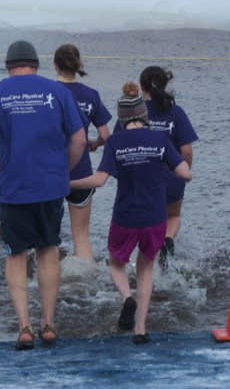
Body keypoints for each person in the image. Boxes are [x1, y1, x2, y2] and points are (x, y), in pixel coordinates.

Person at [0, 40, 85, 350]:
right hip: (51, 185)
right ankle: (48, 324)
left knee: (16, 255)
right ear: (36, 65)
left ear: (9, 66)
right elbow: (78, 139)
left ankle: (24, 327)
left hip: (14, 187)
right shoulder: (59, 92)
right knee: (49, 250)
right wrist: (64, 169)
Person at [71, 82, 191, 345]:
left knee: (116, 264)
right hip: (155, 217)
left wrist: (68, 184)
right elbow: (186, 173)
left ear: (123, 118)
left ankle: (127, 298)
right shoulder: (159, 140)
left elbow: (100, 180)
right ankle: (140, 329)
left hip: (125, 216)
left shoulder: (115, 142)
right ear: (143, 115)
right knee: (146, 269)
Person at [53, 43, 112, 261]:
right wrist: (94, 143)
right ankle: (84, 282)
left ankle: (49, 279)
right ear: (77, 66)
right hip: (82, 172)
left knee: (49, 236)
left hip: (51, 169)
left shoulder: (48, 93)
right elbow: (106, 135)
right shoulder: (91, 94)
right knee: (81, 236)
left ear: (55, 65)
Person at [138, 66, 198, 266]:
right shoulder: (175, 112)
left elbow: (120, 143)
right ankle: (168, 239)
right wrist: (184, 172)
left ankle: (146, 258)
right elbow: (187, 150)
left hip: (142, 177)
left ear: (141, 86)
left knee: (145, 219)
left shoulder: (133, 110)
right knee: (172, 215)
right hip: (172, 175)